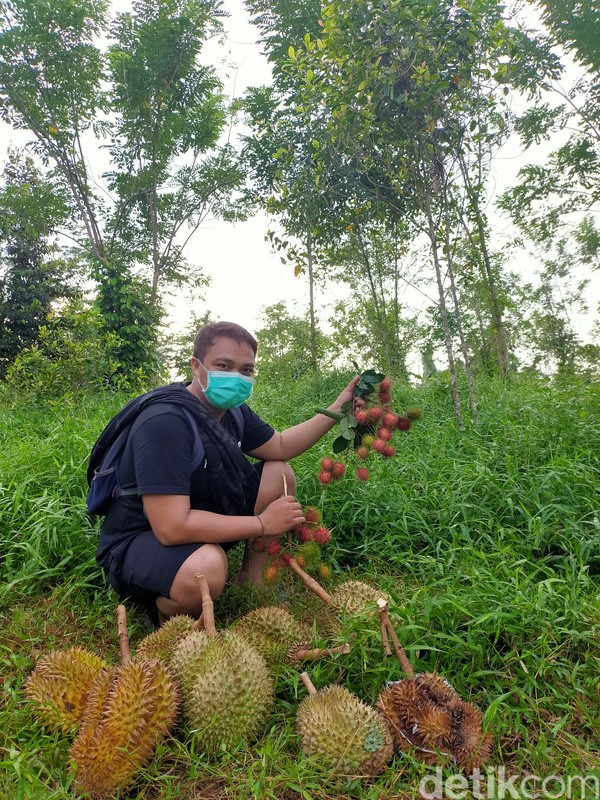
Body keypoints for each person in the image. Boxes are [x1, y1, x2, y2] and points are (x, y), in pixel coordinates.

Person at [96, 320, 361, 623]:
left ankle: (251, 580)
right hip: (142, 539)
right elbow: (171, 528)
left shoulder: (234, 413)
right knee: (206, 569)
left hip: (199, 516)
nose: (236, 377)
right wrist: (261, 523)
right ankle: (168, 614)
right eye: (224, 365)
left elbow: (281, 445)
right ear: (197, 366)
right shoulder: (165, 423)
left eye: (246, 370)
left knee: (279, 472)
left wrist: (340, 407)